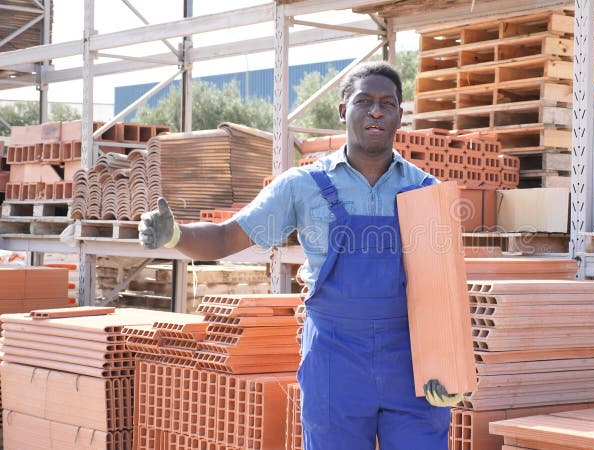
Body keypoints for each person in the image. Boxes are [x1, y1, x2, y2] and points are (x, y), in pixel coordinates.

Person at [138, 61, 462, 450]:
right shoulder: (303, 185)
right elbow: (226, 237)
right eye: (364, 101)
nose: (375, 111)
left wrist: (450, 365)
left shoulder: (427, 191)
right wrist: (176, 235)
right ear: (343, 111)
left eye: (386, 103)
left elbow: (444, 290)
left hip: (411, 364)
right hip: (335, 362)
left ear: (398, 116)